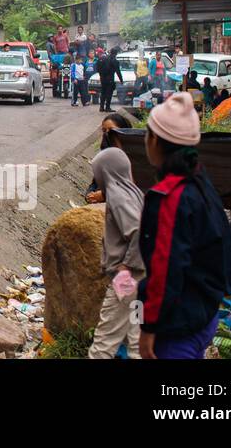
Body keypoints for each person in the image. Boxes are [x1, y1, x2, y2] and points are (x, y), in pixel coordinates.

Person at [137, 92, 231, 359]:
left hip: (178, 324)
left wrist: (148, 327)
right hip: (204, 313)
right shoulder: (201, 183)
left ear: (156, 141)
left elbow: (165, 269)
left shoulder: (169, 197)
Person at [88, 148, 146, 359]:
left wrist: (126, 266)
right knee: (136, 336)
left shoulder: (118, 197)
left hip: (126, 284)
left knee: (104, 339)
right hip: (141, 280)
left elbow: (138, 230)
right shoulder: (134, 192)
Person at [87, 111, 132, 201]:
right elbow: (95, 183)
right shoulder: (104, 157)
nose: (107, 134)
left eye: (112, 131)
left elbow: (132, 189)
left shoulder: (132, 156)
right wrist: (90, 194)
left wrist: (104, 196)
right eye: (104, 131)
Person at [96, 46, 121, 111]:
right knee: (109, 93)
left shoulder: (102, 58)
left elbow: (98, 69)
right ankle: (107, 107)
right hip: (110, 79)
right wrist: (121, 80)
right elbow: (118, 71)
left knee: (103, 92)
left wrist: (101, 75)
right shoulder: (115, 61)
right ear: (116, 54)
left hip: (103, 78)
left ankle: (101, 107)